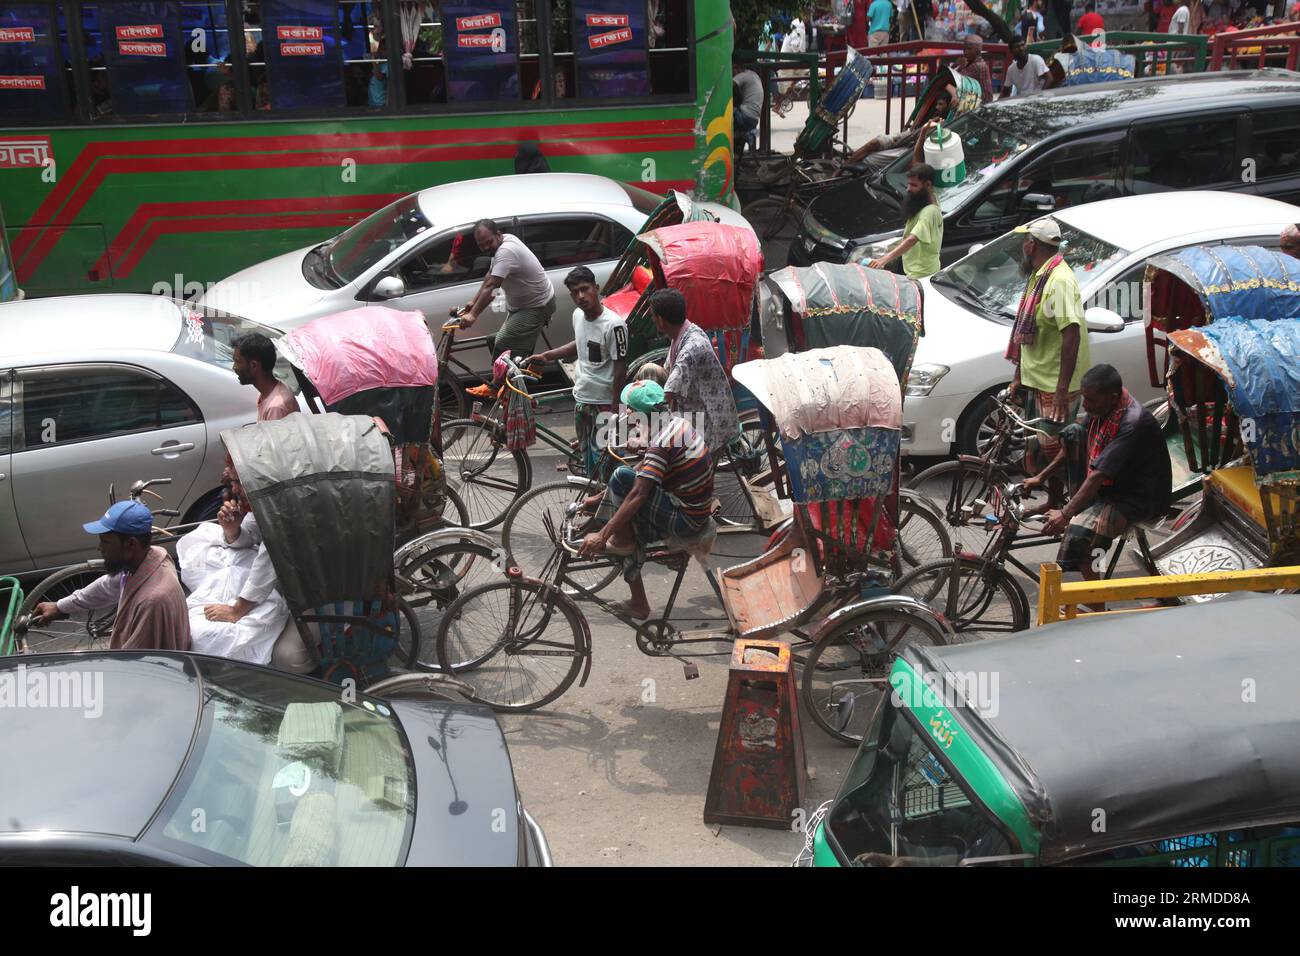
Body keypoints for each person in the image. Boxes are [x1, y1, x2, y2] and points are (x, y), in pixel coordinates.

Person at [1029, 365, 1172, 603]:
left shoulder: (1131, 423)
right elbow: (1074, 444)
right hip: (1114, 483)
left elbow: (1098, 474)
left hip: (1138, 496)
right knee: (1073, 431)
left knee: (1081, 541)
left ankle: (1096, 607)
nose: (1085, 405)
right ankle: (1074, 507)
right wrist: (1040, 477)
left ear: (1112, 397)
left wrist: (1066, 514)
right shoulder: (1104, 411)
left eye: (1090, 400)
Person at [577, 381, 714, 619]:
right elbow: (642, 471)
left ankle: (637, 596)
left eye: (630, 409)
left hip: (687, 518)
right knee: (623, 494)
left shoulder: (662, 440)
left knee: (624, 506)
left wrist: (604, 534)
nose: (627, 413)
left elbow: (638, 493)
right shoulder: (676, 423)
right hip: (693, 507)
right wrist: (600, 499)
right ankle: (636, 594)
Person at [1006, 217, 1091, 511]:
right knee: (1041, 447)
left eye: (1024, 241)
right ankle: (1054, 500)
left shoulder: (1059, 281)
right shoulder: (1040, 275)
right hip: (1036, 377)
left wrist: (1061, 391)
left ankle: (1070, 509)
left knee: (1059, 450)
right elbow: (1027, 333)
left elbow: (1071, 334)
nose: (1022, 246)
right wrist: (1018, 375)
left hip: (1055, 382)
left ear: (1031, 245)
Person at [30, 502, 191, 650]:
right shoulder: (150, 558)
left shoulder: (151, 601)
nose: (100, 548)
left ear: (130, 544)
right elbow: (106, 587)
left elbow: (134, 663)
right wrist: (59, 606)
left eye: (105, 541)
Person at [178, 463, 291, 664]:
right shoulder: (264, 503)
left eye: (238, 482)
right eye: (233, 482)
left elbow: (268, 563)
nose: (235, 489)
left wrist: (236, 611)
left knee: (286, 658)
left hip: (315, 597)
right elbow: (249, 533)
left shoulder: (281, 506)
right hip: (282, 586)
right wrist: (232, 529)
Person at [525, 267, 628, 477]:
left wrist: (617, 405)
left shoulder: (615, 325)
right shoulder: (577, 315)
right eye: (575, 292)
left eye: (584, 289)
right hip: (582, 399)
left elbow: (621, 367)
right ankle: (595, 500)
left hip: (605, 402)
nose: (580, 296)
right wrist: (548, 356)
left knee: (608, 460)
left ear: (596, 288)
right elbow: (580, 343)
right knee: (587, 455)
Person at [460, 219, 557, 394]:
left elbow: (492, 287)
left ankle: (496, 385)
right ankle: (510, 388)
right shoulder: (502, 244)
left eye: (488, 242)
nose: (486, 247)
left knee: (503, 342)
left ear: (498, 235)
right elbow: (490, 276)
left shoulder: (506, 251)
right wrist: (473, 302)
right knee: (493, 341)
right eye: (482, 245)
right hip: (522, 306)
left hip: (537, 305)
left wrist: (473, 315)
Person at [655, 288, 741, 459]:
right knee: (649, 370)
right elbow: (667, 371)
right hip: (694, 407)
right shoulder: (683, 333)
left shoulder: (691, 348)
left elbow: (669, 392)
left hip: (708, 421)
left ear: (660, 320)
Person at [840, 86, 953, 174]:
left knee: (869, 160)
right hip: (905, 138)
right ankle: (840, 170)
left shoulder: (946, 125)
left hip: (911, 148)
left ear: (948, 106)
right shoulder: (934, 117)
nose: (937, 107)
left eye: (941, 104)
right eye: (937, 104)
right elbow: (911, 134)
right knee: (874, 143)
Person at [869, 162, 942, 278]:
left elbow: (913, 238)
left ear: (928, 185)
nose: (908, 189)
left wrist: (884, 259)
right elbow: (917, 161)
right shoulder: (929, 197)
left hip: (921, 274)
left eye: (913, 185)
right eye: (908, 184)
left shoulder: (930, 212)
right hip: (916, 269)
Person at [232, 333, 297, 421]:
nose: (234, 367)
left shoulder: (275, 408)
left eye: (237, 361)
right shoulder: (273, 391)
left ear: (254, 365)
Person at [732, 62, 764, 158]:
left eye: (732, 70)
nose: (732, 73)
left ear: (737, 68)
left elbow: (725, 88)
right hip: (753, 119)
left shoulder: (742, 76)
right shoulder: (752, 74)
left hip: (745, 116)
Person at [956, 33, 992, 103]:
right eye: (964, 49)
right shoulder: (971, 63)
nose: (965, 52)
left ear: (977, 51)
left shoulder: (978, 66)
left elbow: (957, 81)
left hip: (981, 104)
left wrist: (961, 66)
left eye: (969, 49)